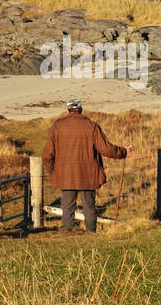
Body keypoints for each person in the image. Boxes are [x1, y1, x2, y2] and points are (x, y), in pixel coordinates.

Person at [41, 98, 128, 233]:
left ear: (67, 111)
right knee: (89, 206)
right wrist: (123, 152)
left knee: (67, 207)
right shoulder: (91, 126)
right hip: (88, 174)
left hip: (66, 174)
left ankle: (68, 234)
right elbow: (106, 149)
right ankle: (91, 234)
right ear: (80, 110)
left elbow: (47, 155)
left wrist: (53, 172)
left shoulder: (56, 127)